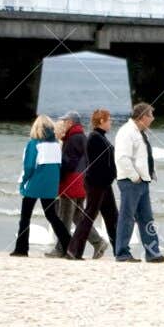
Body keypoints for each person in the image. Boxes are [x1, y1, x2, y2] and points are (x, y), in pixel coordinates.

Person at [114, 102, 164, 262]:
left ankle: (153, 253)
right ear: (143, 117)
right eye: (151, 115)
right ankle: (122, 253)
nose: (153, 119)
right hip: (130, 182)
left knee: (147, 219)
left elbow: (144, 157)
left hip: (143, 181)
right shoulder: (126, 132)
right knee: (127, 217)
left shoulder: (141, 132)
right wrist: (134, 176)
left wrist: (150, 174)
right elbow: (122, 157)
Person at [12, 115, 73, 258]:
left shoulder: (33, 144)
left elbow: (28, 166)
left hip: (35, 183)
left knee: (25, 216)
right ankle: (69, 245)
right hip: (51, 185)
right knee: (52, 215)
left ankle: (21, 249)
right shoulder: (56, 145)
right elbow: (59, 166)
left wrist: (23, 181)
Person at [66, 109, 118, 260]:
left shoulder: (100, 137)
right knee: (89, 216)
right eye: (109, 120)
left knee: (112, 217)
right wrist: (111, 176)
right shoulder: (95, 138)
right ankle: (74, 250)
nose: (111, 122)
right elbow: (97, 165)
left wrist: (111, 177)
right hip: (97, 184)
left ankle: (120, 251)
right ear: (101, 121)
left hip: (103, 184)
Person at [55, 111, 106, 259]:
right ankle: (98, 243)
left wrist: (57, 177)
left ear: (71, 122)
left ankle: (61, 249)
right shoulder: (82, 137)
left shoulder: (72, 139)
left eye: (65, 121)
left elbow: (68, 164)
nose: (63, 124)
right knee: (78, 218)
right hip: (81, 182)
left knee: (64, 217)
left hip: (70, 184)